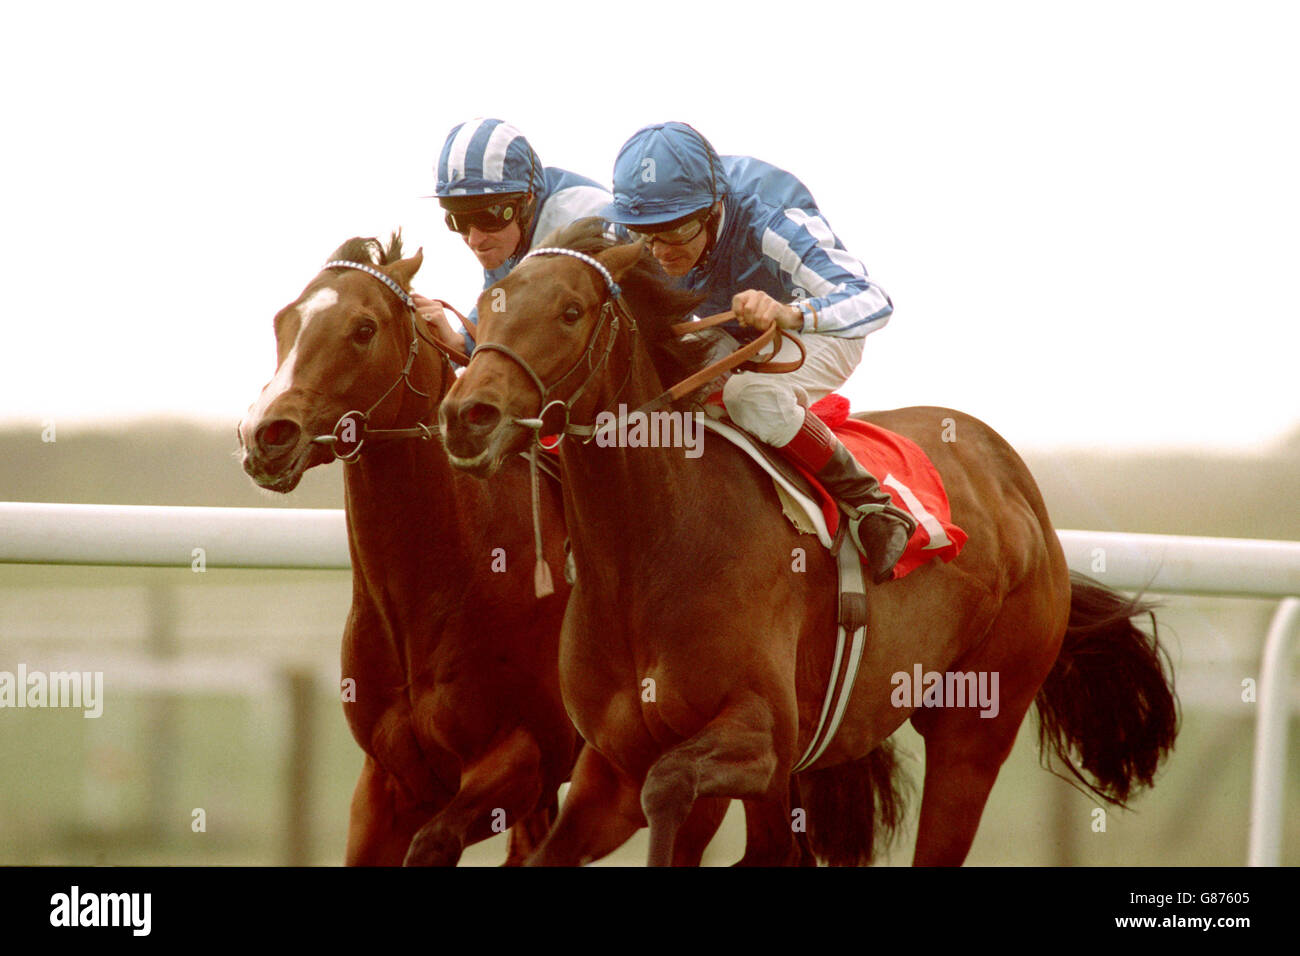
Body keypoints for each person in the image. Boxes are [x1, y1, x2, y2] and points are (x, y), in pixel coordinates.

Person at [599, 121, 916, 583]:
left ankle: (869, 504)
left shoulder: (770, 220)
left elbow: (872, 301)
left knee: (749, 397)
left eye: (679, 230)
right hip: (735, 335)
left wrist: (790, 313)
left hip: (821, 330)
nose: (662, 251)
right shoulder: (629, 226)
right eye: (648, 233)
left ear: (714, 209)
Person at [414, 118, 613, 354]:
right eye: (459, 221)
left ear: (527, 199)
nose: (475, 240)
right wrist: (461, 342)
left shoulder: (583, 215)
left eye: (490, 216)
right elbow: (500, 300)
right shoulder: (503, 240)